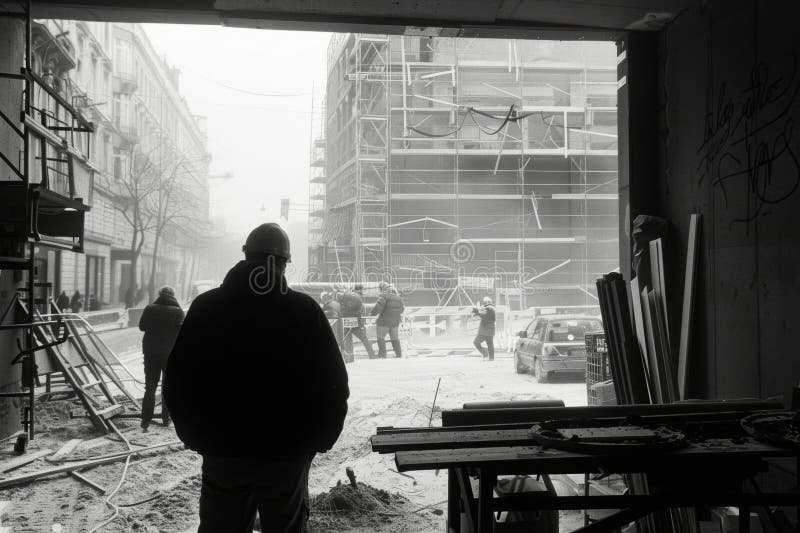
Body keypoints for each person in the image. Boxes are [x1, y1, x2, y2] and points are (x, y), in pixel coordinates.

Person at [164, 223, 349, 533]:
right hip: (285, 454)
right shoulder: (304, 311)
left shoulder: (207, 308)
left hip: (223, 451)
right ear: (281, 262)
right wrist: (319, 439)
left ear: (246, 256)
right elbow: (332, 384)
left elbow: (178, 380)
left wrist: (196, 436)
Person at [138, 286, 184, 431]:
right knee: (168, 387)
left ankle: (145, 420)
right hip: (170, 354)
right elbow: (183, 331)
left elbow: (142, 327)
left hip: (151, 351)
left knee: (150, 386)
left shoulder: (150, 308)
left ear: (159, 294)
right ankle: (166, 418)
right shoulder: (178, 311)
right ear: (173, 296)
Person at [339, 289, 376, 359]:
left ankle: (350, 357)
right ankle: (372, 355)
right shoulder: (357, 299)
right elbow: (360, 311)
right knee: (364, 339)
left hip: (346, 321)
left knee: (347, 340)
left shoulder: (343, 299)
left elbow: (341, 309)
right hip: (356, 322)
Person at [372, 281, 404, 358]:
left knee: (380, 337)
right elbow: (402, 309)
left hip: (384, 322)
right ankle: (399, 355)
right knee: (395, 338)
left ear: (382, 289)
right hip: (395, 323)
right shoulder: (399, 298)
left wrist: (372, 313)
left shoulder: (383, 296)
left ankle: (382, 355)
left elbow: (378, 307)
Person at [472, 296, 496, 361]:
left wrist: (477, 312)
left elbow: (485, 316)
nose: (485, 303)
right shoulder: (489, 308)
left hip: (485, 330)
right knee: (490, 344)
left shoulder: (490, 308)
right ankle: (491, 357)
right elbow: (483, 314)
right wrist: (477, 312)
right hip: (489, 330)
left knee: (476, 342)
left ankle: (485, 354)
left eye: (486, 302)